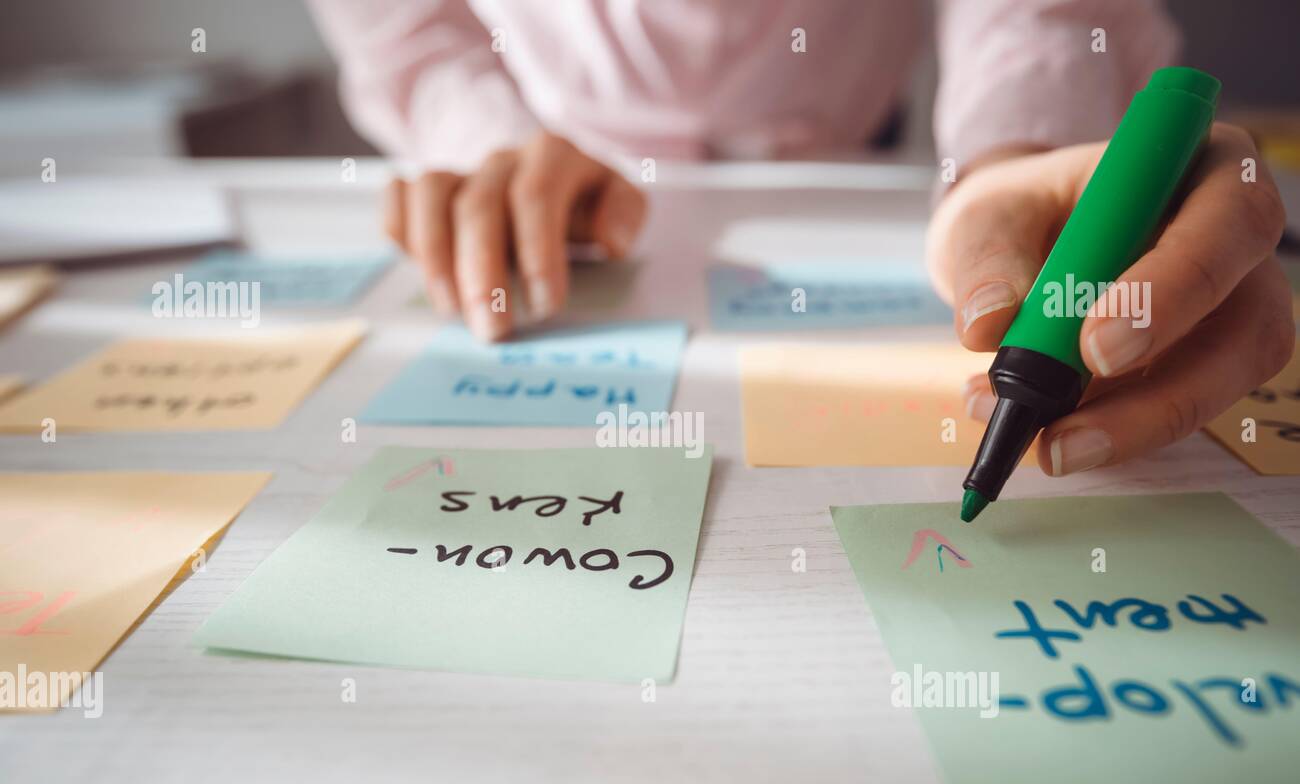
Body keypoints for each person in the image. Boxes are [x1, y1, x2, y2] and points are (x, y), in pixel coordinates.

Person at [308, 0, 1293, 477]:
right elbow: (409, 29)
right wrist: (487, 142)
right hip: (532, 175)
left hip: (858, 191)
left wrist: (1015, 166)